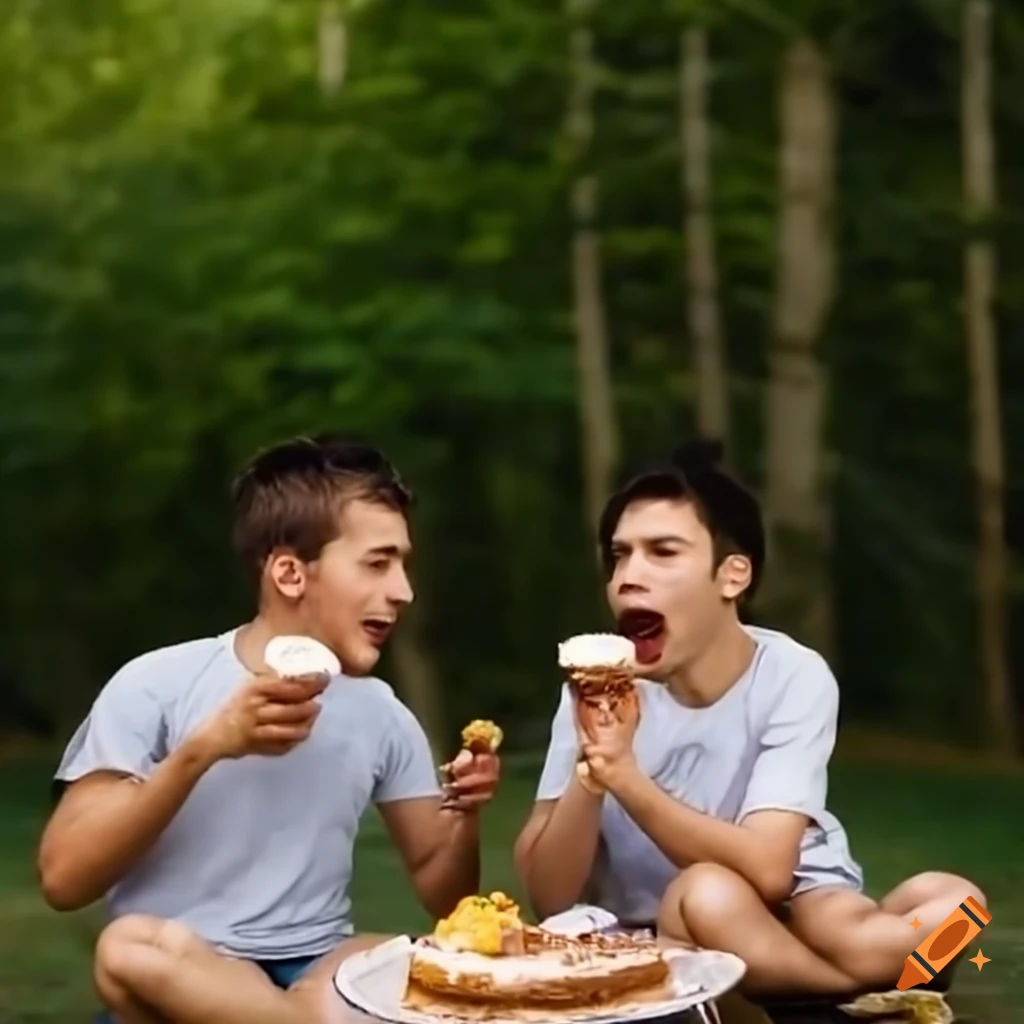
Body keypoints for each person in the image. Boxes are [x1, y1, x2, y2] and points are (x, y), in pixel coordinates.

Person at [38, 434, 499, 1024]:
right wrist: (205, 748)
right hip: (189, 968)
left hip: (316, 968)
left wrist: (464, 812)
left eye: (403, 564)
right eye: (378, 563)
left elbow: (447, 899)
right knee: (128, 949)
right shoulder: (158, 683)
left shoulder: (382, 711)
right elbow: (64, 879)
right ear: (288, 573)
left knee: (420, 956)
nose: (403, 590)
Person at [514, 440, 984, 996]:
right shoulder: (593, 693)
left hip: (802, 904)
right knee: (706, 893)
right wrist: (593, 775)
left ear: (732, 576)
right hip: (674, 927)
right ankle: (862, 988)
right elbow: (549, 899)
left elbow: (769, 871)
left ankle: (846, 972)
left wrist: (627, 778)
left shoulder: (790, 673)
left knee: (962, 907)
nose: (627, 577)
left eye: (662, 552)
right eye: (620, 555)